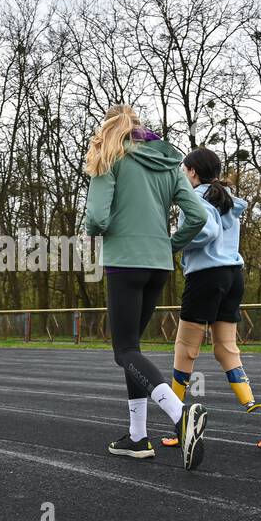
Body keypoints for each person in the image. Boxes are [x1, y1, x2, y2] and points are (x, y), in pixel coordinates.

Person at [85, 104, 211, 470]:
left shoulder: (109, 154)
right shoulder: (169, 160)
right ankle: (137, 438)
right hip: (158, 265)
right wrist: (169, 245)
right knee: (133, 352)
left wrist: (94, 231)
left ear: (109, 127)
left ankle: (180, 414)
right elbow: (198, 215)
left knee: (123, 351)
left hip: (125, 262)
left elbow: (96, 217)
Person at [159, 148, 261, 450]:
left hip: (206, 278)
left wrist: (169, 244)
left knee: (186, 349)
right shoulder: (226, 200)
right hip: (233, 277)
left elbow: (205, 229)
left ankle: (179, 422)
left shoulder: (197, 199)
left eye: (183, 171)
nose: (181, 177)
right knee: (226, 347)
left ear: (193, 173)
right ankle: (256, 407)